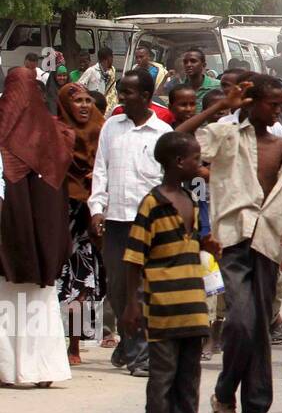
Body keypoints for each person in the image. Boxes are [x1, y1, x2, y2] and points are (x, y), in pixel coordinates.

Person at [176, 76, 282, 413]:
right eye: (271, 104)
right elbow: (177, 142)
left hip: (268, 242)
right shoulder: (228, 135)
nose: (277, 110)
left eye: (281, 104)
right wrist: (220, 106)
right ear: (251, 103)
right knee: (241, 322)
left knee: (259, 328)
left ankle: (255, 411)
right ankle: (223, 393)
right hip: (232, 240)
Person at [120, 131, 210, 413]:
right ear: (177, 162)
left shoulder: (193, 200)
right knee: (162, 377)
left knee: (189, 379)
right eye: (196, 158)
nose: (200, 163)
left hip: (194, 308)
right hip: (162, 307)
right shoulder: (152, 204)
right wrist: (133, 303)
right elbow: (134, 257)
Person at [90, 68, 170, 377]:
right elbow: (101, 169)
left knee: (143, 291)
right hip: (116, 220)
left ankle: (140, 355)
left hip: (148, 223)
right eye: (121, 92)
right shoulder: (112, 126)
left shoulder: (162, 133)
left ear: (146, 96)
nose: (121, 97)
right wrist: (96, 208)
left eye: (128, 93)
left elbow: (167, 180)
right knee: (119, 291)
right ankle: (128, 340)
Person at [0, 67, 75, 388]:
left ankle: (10, 370)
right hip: (42, 243)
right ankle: (42, 371)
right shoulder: (55, 135)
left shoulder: (5, 135)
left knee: (7, 304)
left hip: (9, 240)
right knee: (39, 306)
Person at [56, 84, 105, 366]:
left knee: (83, 282)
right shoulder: (55, 133)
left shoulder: (103, 131)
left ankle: (74, 344)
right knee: (55, 282)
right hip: (61, 214)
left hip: (91, 217)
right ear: (65, 104)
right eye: (77, 101)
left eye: (88, 100)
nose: (85, 105)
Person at [78, 46, 119, 114]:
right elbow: (79, 85)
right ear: (108, 59)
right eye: (112, 57)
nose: (112, 60)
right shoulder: (92, 71)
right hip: (95, 106)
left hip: (109, 108)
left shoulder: (112, 71)